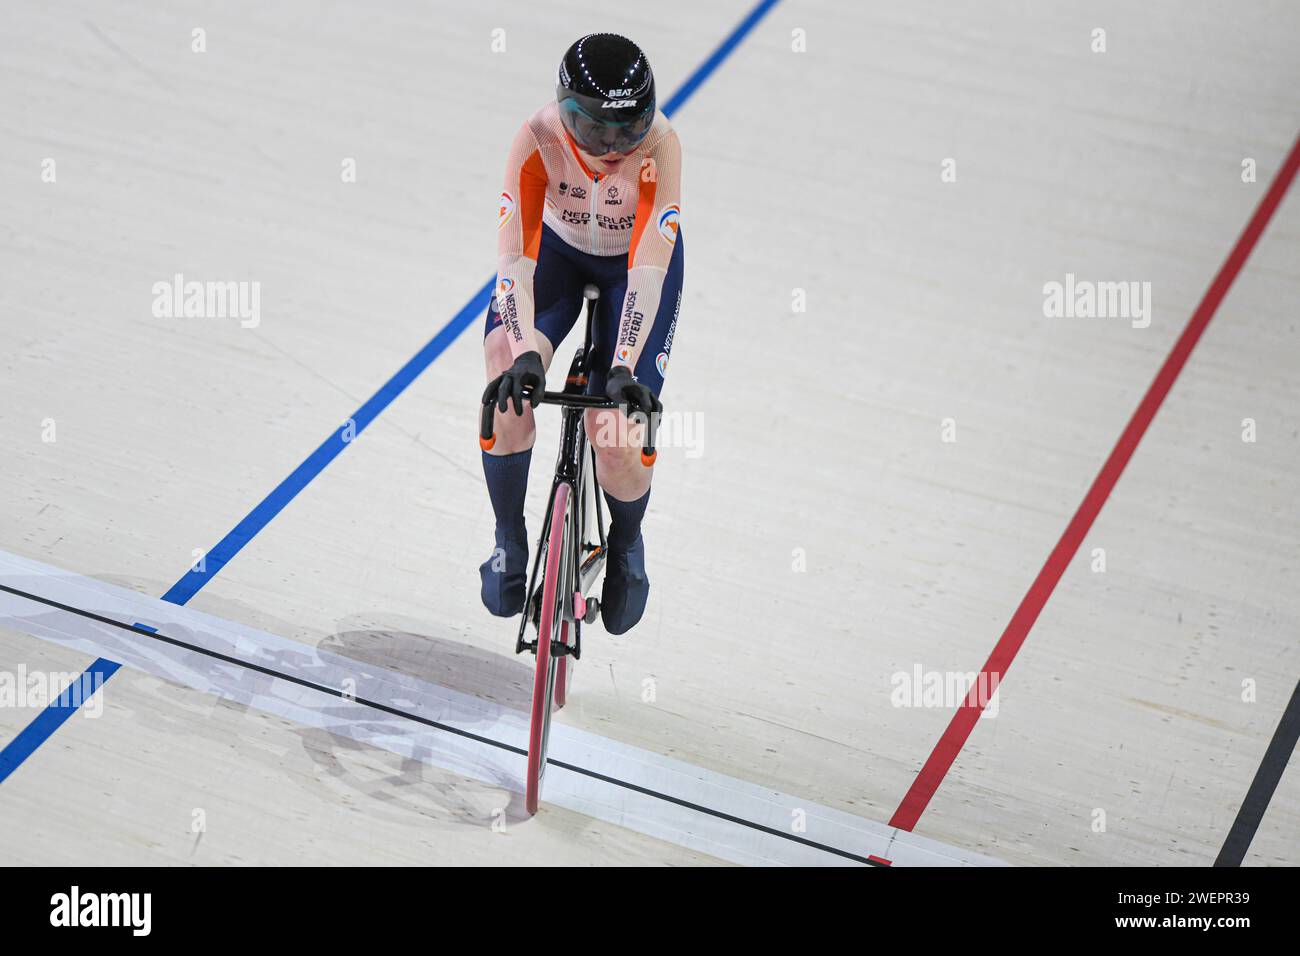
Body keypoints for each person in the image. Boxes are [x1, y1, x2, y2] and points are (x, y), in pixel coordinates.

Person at [479, 33, 683, 635]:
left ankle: (627, 544)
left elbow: (648, 271)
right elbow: (514, 261)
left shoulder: (662, 146)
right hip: (558, 257)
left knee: (617, 432)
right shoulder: (537, 138)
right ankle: (509, 538)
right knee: (504, 373)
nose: (614, 147)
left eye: (629, 128)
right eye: (596, 131)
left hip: (632, 272)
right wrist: (526, 355)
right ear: (565, 115)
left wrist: (622, 367)